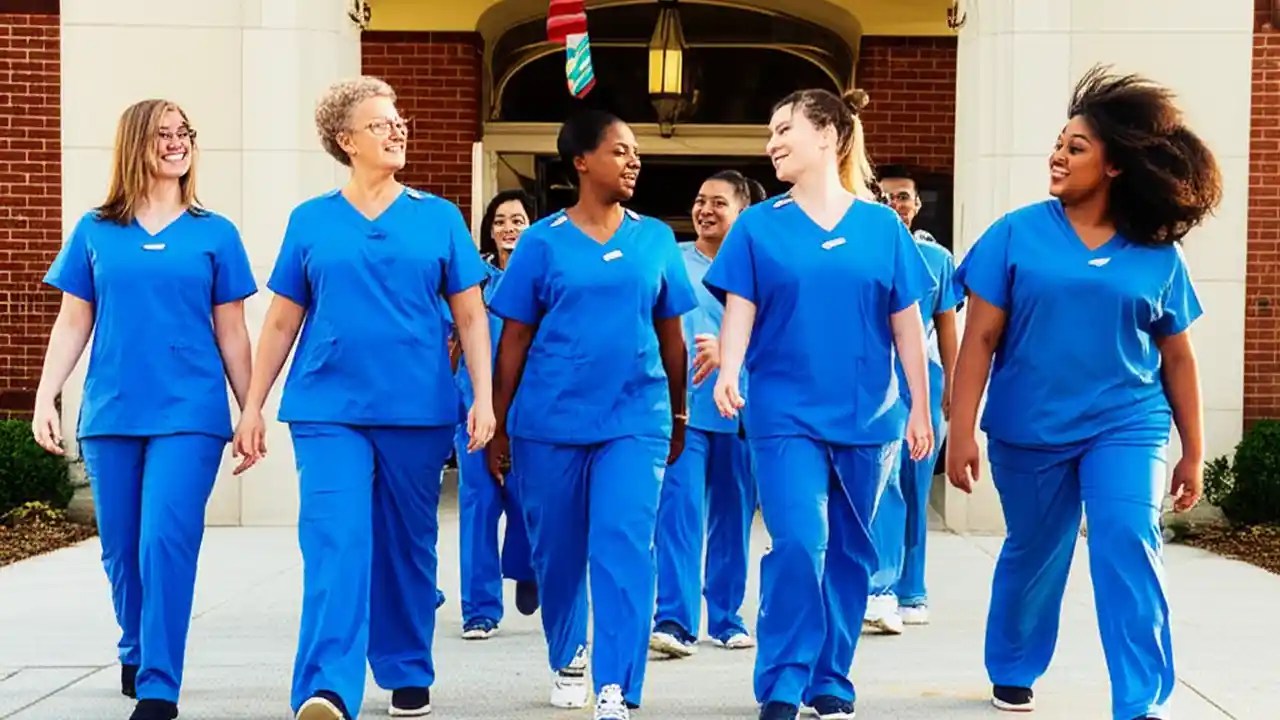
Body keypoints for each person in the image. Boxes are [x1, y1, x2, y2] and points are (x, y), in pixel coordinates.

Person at [947, 65, 1218, 720]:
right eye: (1058, 144)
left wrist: (1192, 450)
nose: (1057, 156)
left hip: (1128, 421)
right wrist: (959, 430)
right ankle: (1013, 666)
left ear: (1116, 165)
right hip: (1028, 426)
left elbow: (1177, 358)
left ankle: (1142, 698)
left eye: (1075, 147)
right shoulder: (1016, 233)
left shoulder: (1157, 253)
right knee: (1037, 551)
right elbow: (978, 340)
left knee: (1127, 536)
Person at [231, 76, 495, 720]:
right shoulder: (311, 220)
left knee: (409, 546)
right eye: (381, 123)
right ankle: (327, 687)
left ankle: (406, 666)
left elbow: (471, 318)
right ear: (346, 141)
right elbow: (281, 321)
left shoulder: (438, 217)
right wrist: (252, 404)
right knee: (335, 541)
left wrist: (483, 398)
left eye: (399, 118)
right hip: (327, 410)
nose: (398, 128)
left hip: (418, 410)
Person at [704, 88, 934, 720]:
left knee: (852, 553)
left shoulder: (882, 226)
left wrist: (919, 405)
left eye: (783, 129)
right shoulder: (757, 227)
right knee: (801, 542)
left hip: (869, 417)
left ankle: (829, 676)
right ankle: (782, 681)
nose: (771, 142)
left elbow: (907, 324)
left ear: (828, 135)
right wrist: (729, 370)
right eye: (770, 132)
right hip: (783, 415)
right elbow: (739, 311)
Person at [31, 99, 255, 720]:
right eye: (164, 133)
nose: (178, 142)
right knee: (120, 549)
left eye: (185, 131)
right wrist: (46, 393)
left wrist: (251, 408)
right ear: (136, 143)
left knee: (165, 541)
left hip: (191, 414)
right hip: (111, 413)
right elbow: (74, 318)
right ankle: (135, 643)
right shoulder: (96, 230)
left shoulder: (216, 232)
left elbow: (232, 331)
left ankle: (159, 684)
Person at [485, 109, 698, 720]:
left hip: (636, 418)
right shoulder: (541, 241)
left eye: (636, 152)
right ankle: (569, 654)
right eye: (620, 151)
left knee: (624, 543)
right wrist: (498, 424)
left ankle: (617, 686)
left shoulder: (654, 237)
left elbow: (673, 336)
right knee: (557, 552)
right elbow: (515, 340)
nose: (634, 161)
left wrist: (679, 415)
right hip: (549, 424)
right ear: (582, 161)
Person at [650, 170, 760, 659]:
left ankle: (727, 617)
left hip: (739, 411)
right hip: (683, 414)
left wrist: (732, 352)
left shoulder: (757, 269)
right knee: (678, 515)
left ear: (742, 212)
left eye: (718, 202)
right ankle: (673, 620)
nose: (705, 209)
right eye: (699, 200)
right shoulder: (670, 259)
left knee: (733, 520)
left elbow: (782, 333)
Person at [864, 164, 962, 633]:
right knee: (885, 484)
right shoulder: (867, 248)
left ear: (917, 204)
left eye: (902, 197)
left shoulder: (936, 258)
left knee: (916, 484)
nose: (895, 204)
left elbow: (946, 323)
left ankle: (912, 590)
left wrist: (956, 390)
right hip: (877, 383)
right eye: (885, 197)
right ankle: (879, 586)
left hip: (926, 380)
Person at [450, 189, 540, 640]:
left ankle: (527, 569)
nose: (509, 229)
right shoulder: (473, 280)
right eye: (501, 221)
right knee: (479, 503)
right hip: (475, 408)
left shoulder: (543, 277)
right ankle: (480, 609)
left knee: (529, 501)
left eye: (518, 220)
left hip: (532, 412)